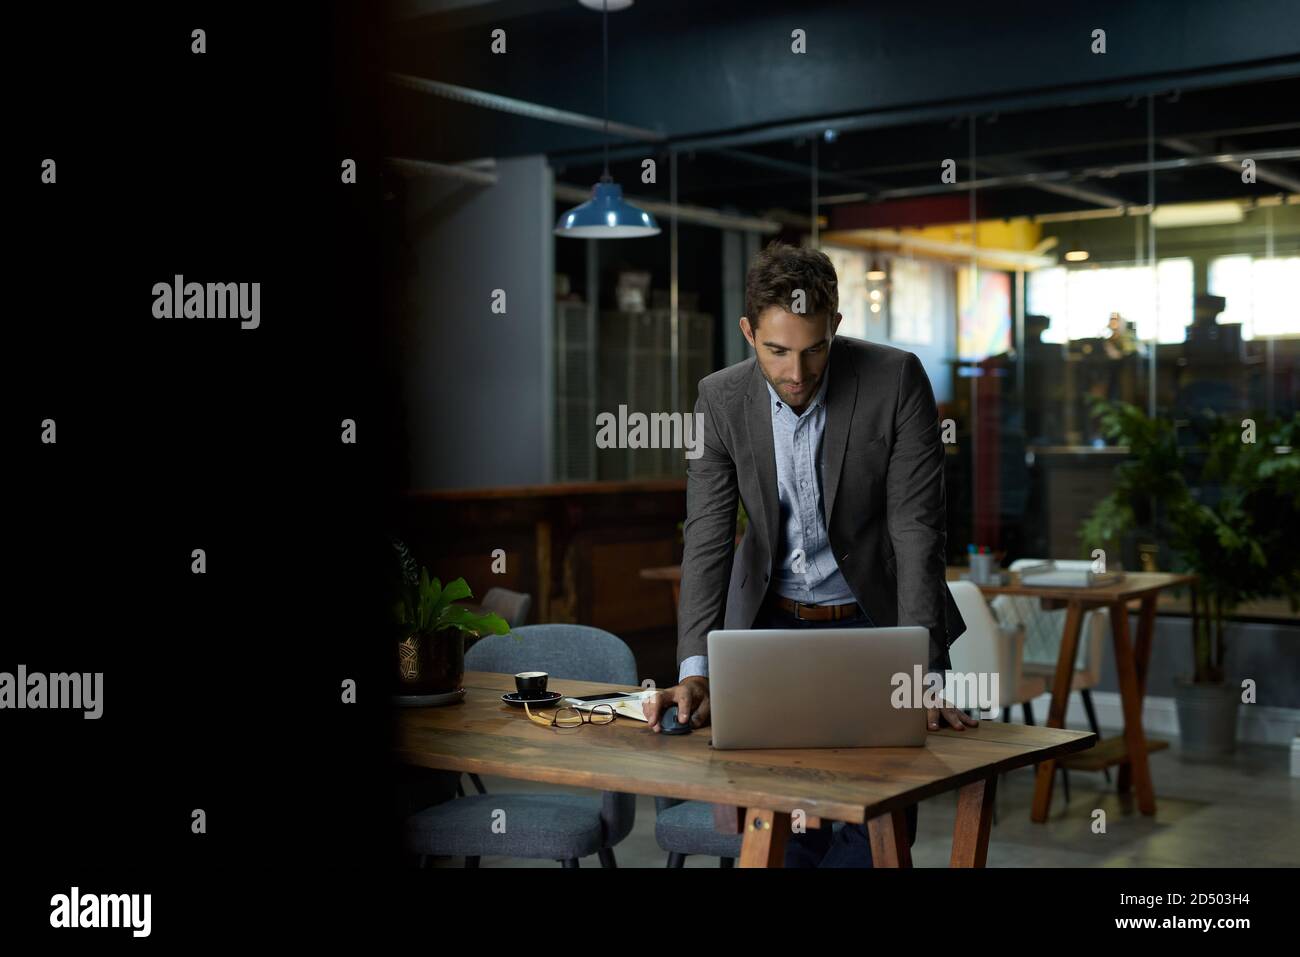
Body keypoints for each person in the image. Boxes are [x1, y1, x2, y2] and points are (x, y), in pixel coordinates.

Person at [643, 241, 975, 867]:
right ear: (749, 333)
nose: (797, 371)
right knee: (782, 830)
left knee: (875, 833)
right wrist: (695, 666)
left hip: (877, 631)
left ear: (836, 327)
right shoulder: (719, 398)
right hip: (771, 635)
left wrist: (922, 666)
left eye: (814, 347)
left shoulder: (895, 378)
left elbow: (917, 530)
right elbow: (708, 537)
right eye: (777, 351)